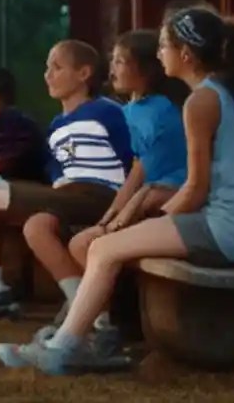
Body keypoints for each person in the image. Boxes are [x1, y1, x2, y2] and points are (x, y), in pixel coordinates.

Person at [0, 8, 234, 375]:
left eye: (165, 45)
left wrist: (144, 225)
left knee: (104, 247)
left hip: (233, 230)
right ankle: (80, 337)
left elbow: (196, 189)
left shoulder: (202, 101)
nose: (159, 53)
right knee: (110, 241)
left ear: (186, 54)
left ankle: (64, 348)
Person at [0, 41, 132, 322]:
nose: (48, 74)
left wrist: (126, 204)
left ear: (84, 73)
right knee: (36, 226)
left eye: (57, 68)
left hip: (104, 194)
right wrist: (58, 181)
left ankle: (2, 193)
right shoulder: (57, 125)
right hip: (66, 195)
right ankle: (80, 304)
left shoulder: (107, 112)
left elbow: (131, 157)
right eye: (47, 68)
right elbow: (54, 165)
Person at [37, 30, 190, 329]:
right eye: (113, 60)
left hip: (166, 198)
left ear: (144, 69)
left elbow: (141, 173)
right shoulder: (134, 109)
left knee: (85, 243)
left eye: (121, 61)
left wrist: (111, 220)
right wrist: (111, 217)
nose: (113, 69)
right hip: (143, 197)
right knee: (85, 242)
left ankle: (105, 322)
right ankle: (101, 320)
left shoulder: (157, 110)